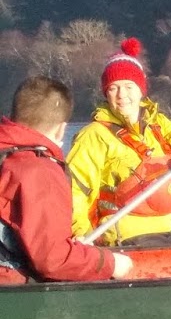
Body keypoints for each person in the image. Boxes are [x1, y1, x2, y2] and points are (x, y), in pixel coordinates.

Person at [67, 38, 171, 247]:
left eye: (128, 86)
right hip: (123, 238)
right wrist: (80, 234)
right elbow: (75, 191)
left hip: (165, 231)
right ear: (106, 94)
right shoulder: (93, 135)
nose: (121, 95)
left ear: (141, 90)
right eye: (113, 88)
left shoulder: (160, 125)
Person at [0, 76, 133, 285]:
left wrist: (74, 248)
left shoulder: (6, 155)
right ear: (62, 128)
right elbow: (52, 260)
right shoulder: (38, 170)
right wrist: (110, 263)